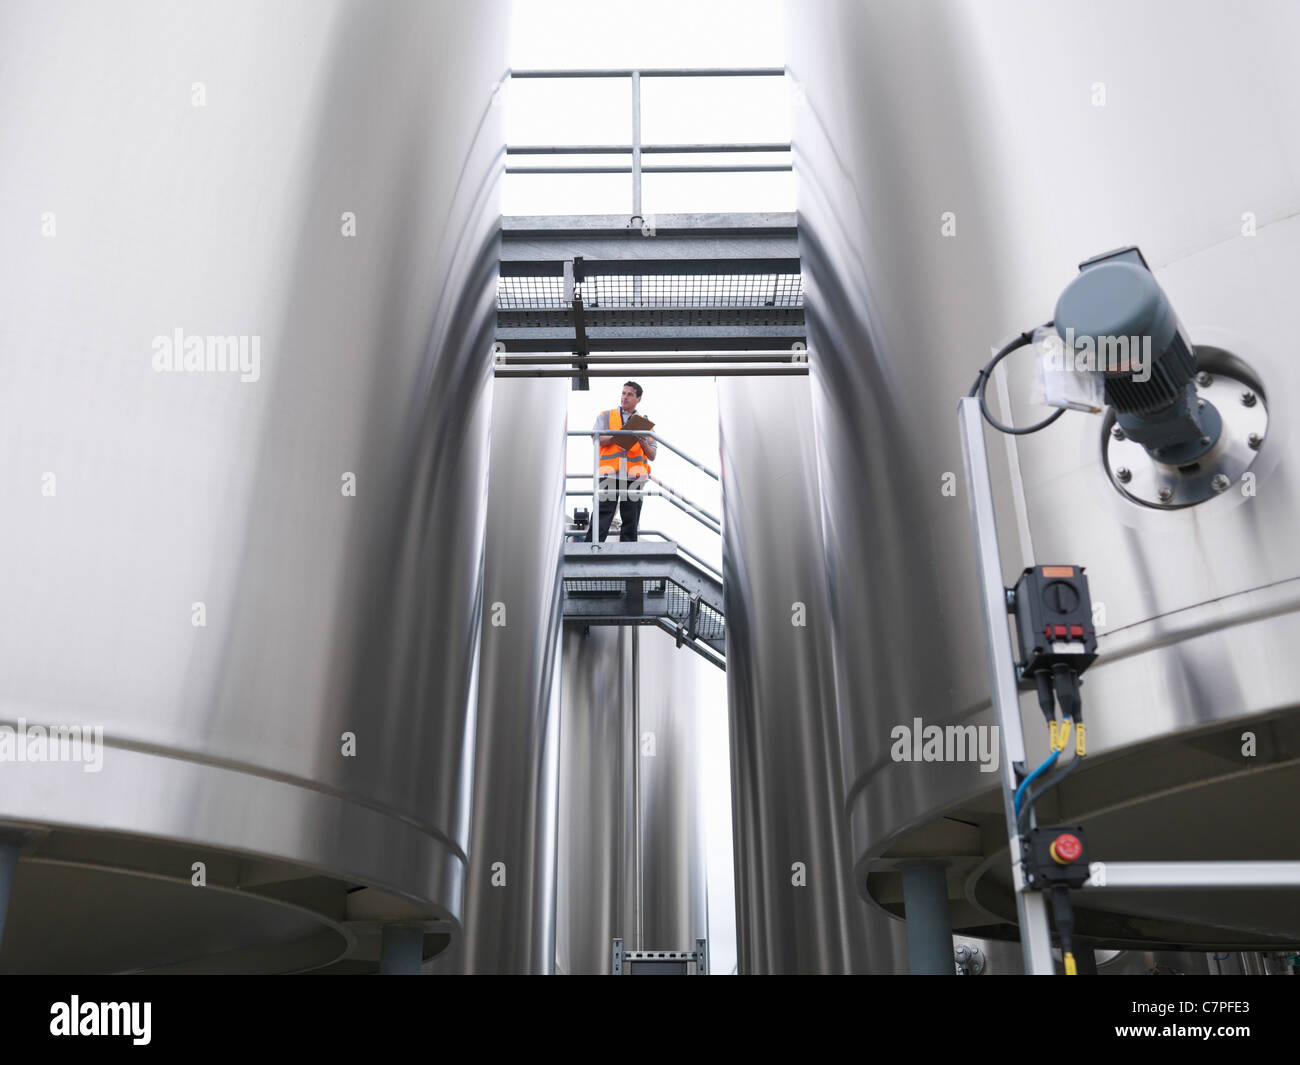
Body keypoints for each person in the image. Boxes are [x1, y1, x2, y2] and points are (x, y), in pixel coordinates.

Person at [590, 380, 656, 542]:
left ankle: (628, 552)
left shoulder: (645, 424)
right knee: (602, 515)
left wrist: (643, 442)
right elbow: (595, 439)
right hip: (610, 473)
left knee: (631, 520)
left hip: (634, 477)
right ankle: (591, 548)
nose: (624, 397)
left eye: (630, 394)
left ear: (638, 399)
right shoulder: (606, 415)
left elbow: (653, 454)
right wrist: (617, 436)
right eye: (623, 393)